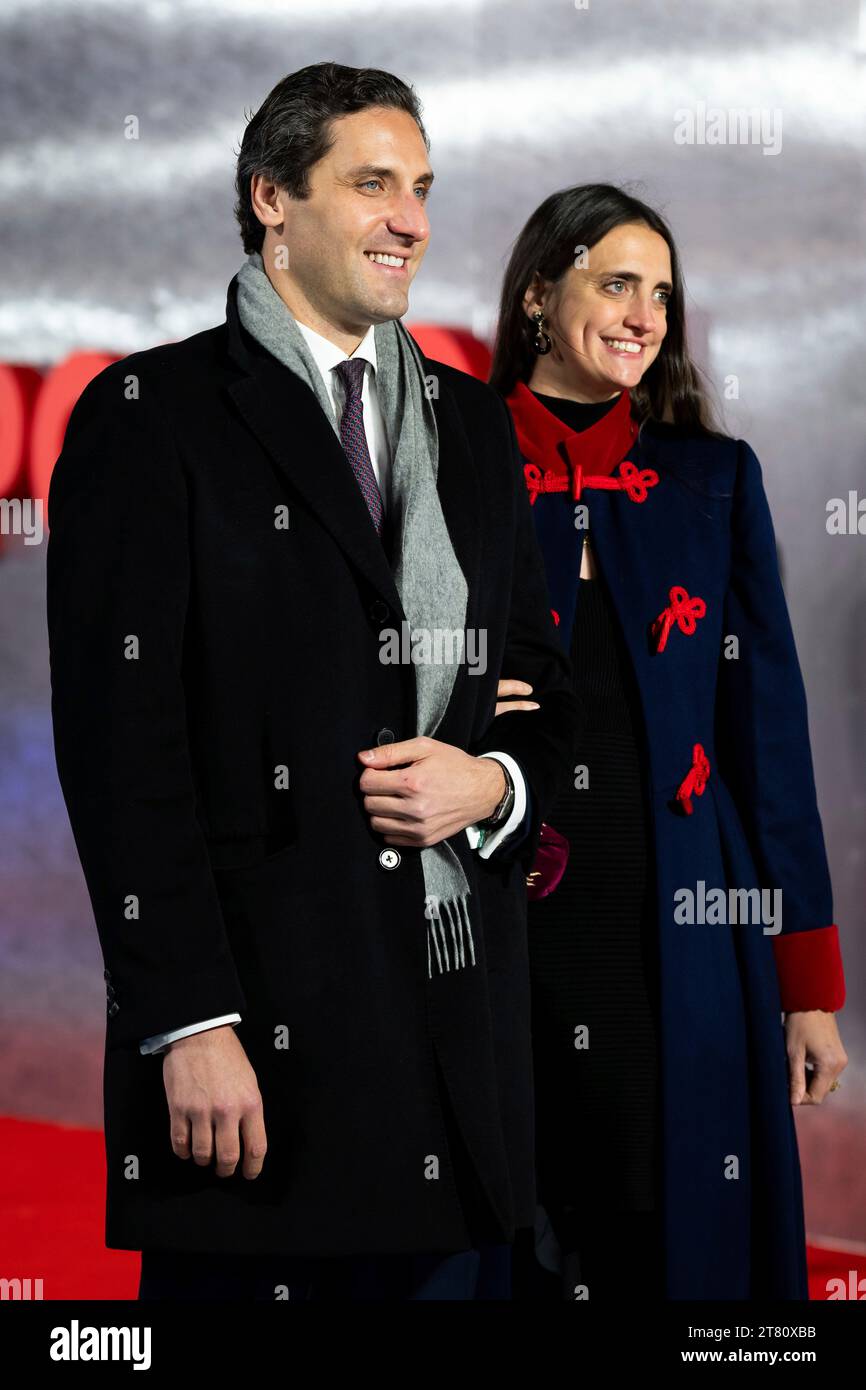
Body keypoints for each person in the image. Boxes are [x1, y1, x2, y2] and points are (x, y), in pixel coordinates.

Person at [45, 63, 581, 1301]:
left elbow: (542, 684)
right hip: (257, 1076)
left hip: (458, 1066)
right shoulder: (149, 413)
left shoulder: (472, 423)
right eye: (373, 184)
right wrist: (186, 1021)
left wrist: (487, 784)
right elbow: (124, 753)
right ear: (271, 199)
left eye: (424, 189)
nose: (413, 220)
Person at [488, 183, 848, 1300]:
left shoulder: (712, 479)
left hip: (675, 916)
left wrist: (806, 986)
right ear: (542, 295)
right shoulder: (448, 460)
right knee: (510, 1226)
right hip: (497, 906)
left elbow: (765, 738)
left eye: (660, 293)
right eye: (614, 283)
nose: (643, 314)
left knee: (663, 1230)